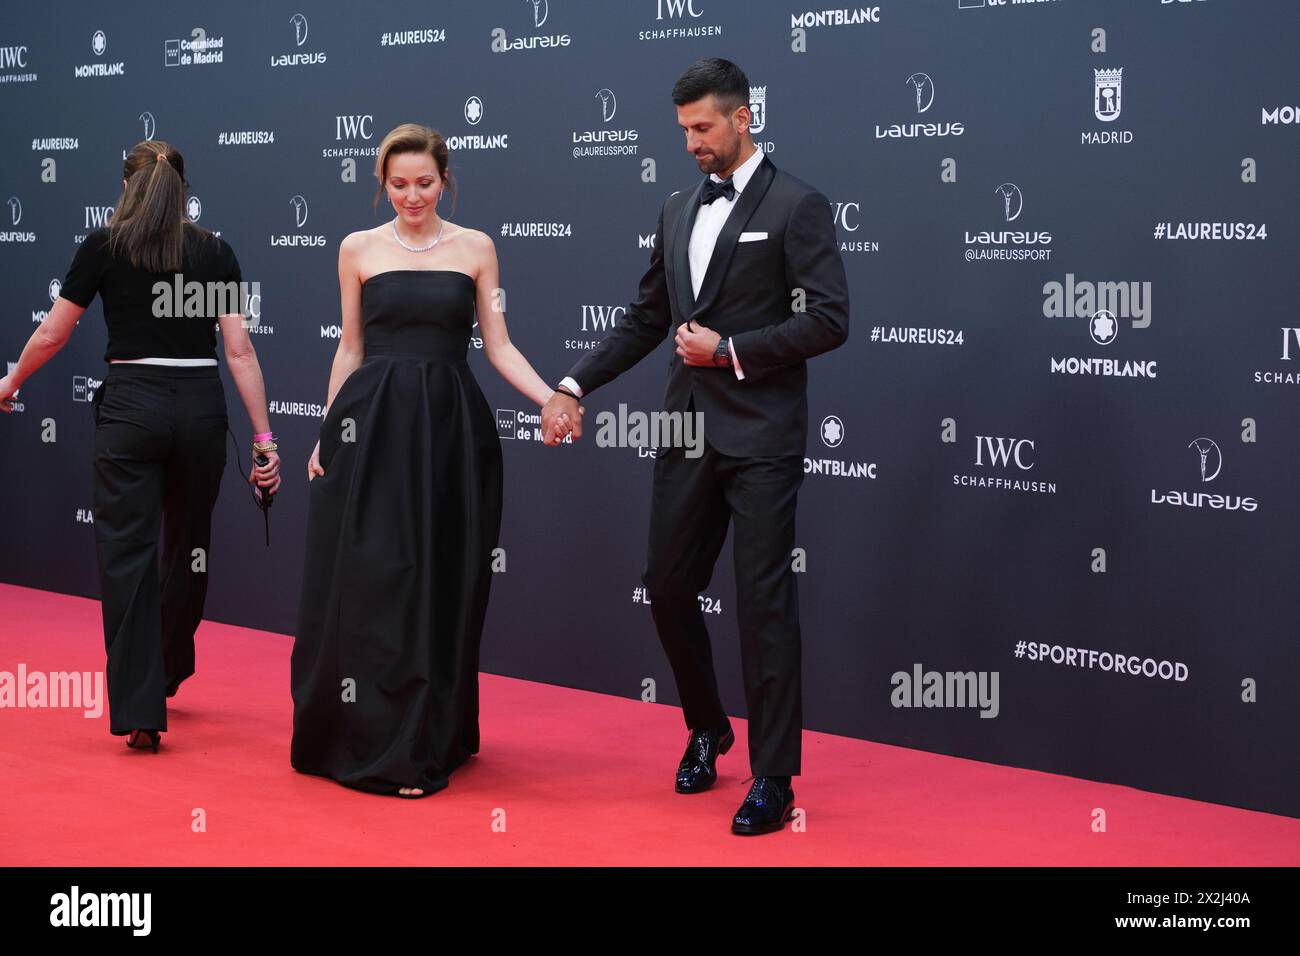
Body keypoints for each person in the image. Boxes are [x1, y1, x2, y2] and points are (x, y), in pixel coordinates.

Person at [540, 58, 850, 834]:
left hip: (763, 437)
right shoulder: (677, 207)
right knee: (669, 586)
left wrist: (732, 350)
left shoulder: (799, 205)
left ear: (743, 118)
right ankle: (708, 726)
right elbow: (649, 316)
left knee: (763, 602)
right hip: (685, 430)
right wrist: (573, 387)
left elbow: (829, 320)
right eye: (682, 130)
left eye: (703, 128)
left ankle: (774, 775)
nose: (690, 143)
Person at [290, 123, 575, 798]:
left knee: (438, 581)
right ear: (381, 184)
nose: (411, 196)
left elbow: (499, 345)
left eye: (424, 183)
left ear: (445, 180)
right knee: (372, 581)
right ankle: (358, 737)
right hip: (373, 427)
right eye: (398, 184)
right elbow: (351, 349)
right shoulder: (357, 249)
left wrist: (552, 398)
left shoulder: (476, 248)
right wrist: (327, 432)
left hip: (448, 429)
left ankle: (425, 740)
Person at [0, 140, 281, 752]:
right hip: (200, 410)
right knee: (188, 546)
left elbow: (53, 334)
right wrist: (264, 440)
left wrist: (10, 381)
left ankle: (139, 706)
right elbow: (238, 352)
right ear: (183, 188)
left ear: (124, 185)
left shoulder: (105, 245)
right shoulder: (215, 251)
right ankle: (170, 665)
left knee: (127, 554)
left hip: (131, 408)